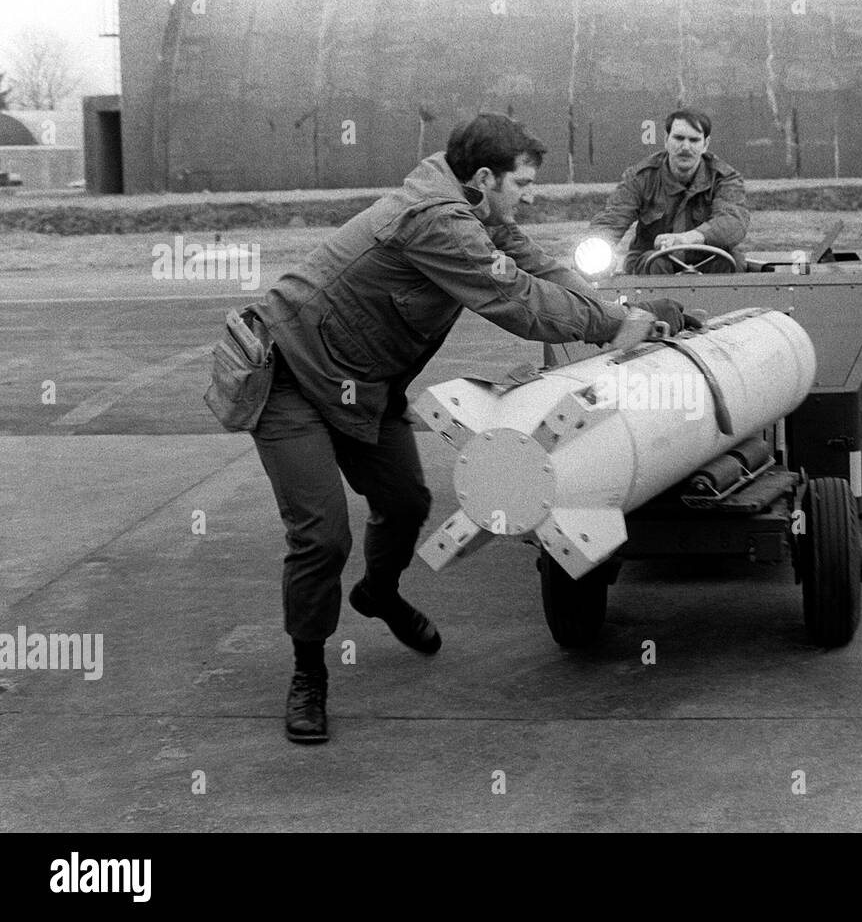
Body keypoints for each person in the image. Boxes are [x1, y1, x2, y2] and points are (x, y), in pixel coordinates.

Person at [244, 113, 698, 743]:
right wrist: (608, 328)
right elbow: (518, 301)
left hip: (362, 386)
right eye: (525, 182)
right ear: (485, 178)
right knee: (322, 535)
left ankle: (379, 592)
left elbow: (541, 270)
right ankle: (309, 675)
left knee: (405, 504)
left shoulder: (477, 208)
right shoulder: (438, 221)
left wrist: (624, 311)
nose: (531, 195)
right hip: (293, 375)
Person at [589, 107, 749, 274]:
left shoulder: (725, 178)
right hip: (652, 260)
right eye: (679, 138)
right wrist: (592, 247)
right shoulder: (641, 177)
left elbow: (733, 221)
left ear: (705, 144)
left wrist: (688, 238)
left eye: (694, 140)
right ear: (666, 140)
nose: (686, 147)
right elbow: (613, 219)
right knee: (656, 264)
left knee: (732, 262)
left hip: (708, 258)